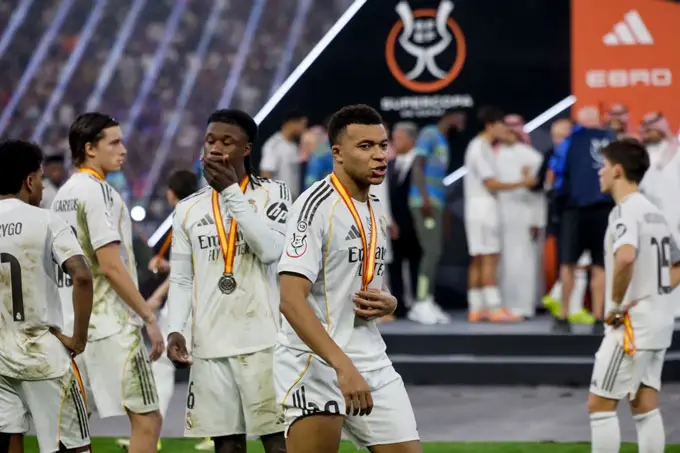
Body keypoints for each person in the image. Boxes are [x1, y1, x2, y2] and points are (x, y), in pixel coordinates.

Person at [276, 104, 420, 453]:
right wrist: (342, 365)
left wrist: (389, 301)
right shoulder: (313, 207)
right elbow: (291, 300)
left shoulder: (375, 208)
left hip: (371, 359)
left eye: (382, 145)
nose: (379, 155)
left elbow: (360, 279)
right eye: (365, 146)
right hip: (316, 362)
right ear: (337, 153)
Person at [166, 109, 289, 453]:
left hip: (264, 342)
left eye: (226, 142)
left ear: (246, 149)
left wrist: (232, 192)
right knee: (227, 447)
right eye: (210, 141)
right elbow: (181, 278)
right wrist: (175, 328)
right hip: (210, 346)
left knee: (277, 444)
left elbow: (270, 250)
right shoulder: (188, 208)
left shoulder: (274, 193)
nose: (216, 148)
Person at [51, 113, 164, 453]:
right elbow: (111, 266)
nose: (123, 150)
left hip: (72, 326)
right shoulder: (99, 192)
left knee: (73, 430)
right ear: (89, 148)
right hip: (111, 325)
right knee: (148, 420)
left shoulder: (62, 194)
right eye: (114, 142)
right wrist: (148, 316)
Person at [0, 140, 93, 453]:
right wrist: (78, 339)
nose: (42, 186)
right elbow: (82, 276)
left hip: (1, 355)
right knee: (74, 447)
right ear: (29, 181)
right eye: (40, 178)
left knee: (9, 440)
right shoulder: (46, 219)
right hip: (43, 354)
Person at [588, 138, 680, 453]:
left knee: (600, 406)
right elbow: (677, 265)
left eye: (603, 166)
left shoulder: (625, 212)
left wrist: (616, 305)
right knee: (644, 405)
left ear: (617, 170)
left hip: (630, 327)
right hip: (658, 323)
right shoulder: (655, 213)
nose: (599, 172)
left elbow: (625, 257)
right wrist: (656, 295)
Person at [115, 169, 199, 451]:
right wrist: (167, 267)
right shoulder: (199, 215)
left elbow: (189, 270)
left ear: (171, 194)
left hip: (186, 305)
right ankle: (159, 431)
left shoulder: (185, 219)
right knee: (192, 367)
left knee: (164, 363)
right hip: (199, 304)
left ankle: (154, 431)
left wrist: (156, 297)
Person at [463, 107, 535, 323]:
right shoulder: (479, 148)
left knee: (478, 258)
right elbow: (491, 183)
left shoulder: (482, 146)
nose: (504, 129)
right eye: (501, 125)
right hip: (484, 209)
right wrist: (523, 182)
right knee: (489, 258)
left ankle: (476, 308)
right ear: (490, 126)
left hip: (478, 209)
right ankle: (494, 308)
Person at [549, 111, 616, 333]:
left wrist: (558, 201)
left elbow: (557, 173)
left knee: (568, 264)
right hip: (604, 209)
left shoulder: (570, 141)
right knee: (600, 265)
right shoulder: (613, 141)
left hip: (574, 209)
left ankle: (563, 317)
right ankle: (599, 317)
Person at [406, 110, 459, 325]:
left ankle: (428, 299)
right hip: (423, 202)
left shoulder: (444, 141)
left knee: (435, 252)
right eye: (460, 117)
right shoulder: (429, 133)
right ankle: (420, 302)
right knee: (431, 252)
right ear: (449, 116)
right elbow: (417, 164)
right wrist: (425, 197)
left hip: (436, 202)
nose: (463, 121)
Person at [495, 115, 545, 318]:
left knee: (522, 262)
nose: (509, 131)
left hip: (524, 217)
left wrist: (536, 220)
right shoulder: (493, 155)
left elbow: (538, 193)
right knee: (501, 264)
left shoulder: (531, 156)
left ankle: (523, 306)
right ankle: (502, 305)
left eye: (513, 127)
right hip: (499, 217)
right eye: (506, 126)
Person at [387, 121, 422, 319]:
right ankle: (399, 305)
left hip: (417, 223)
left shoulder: (422, 162)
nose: (395, 142)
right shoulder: (390, 165)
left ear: (411, 140)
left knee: (417, 264)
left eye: (399, 138)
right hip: (395, 224)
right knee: (395, 265)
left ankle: (419, 302)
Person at [260, 111, 308, 200]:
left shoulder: (294, 146)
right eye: (302, 124)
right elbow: (266, 173)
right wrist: (267, 199)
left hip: (292, 200)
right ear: (292, 123)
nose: (304, 129)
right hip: (277, 200)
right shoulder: (274, 144)